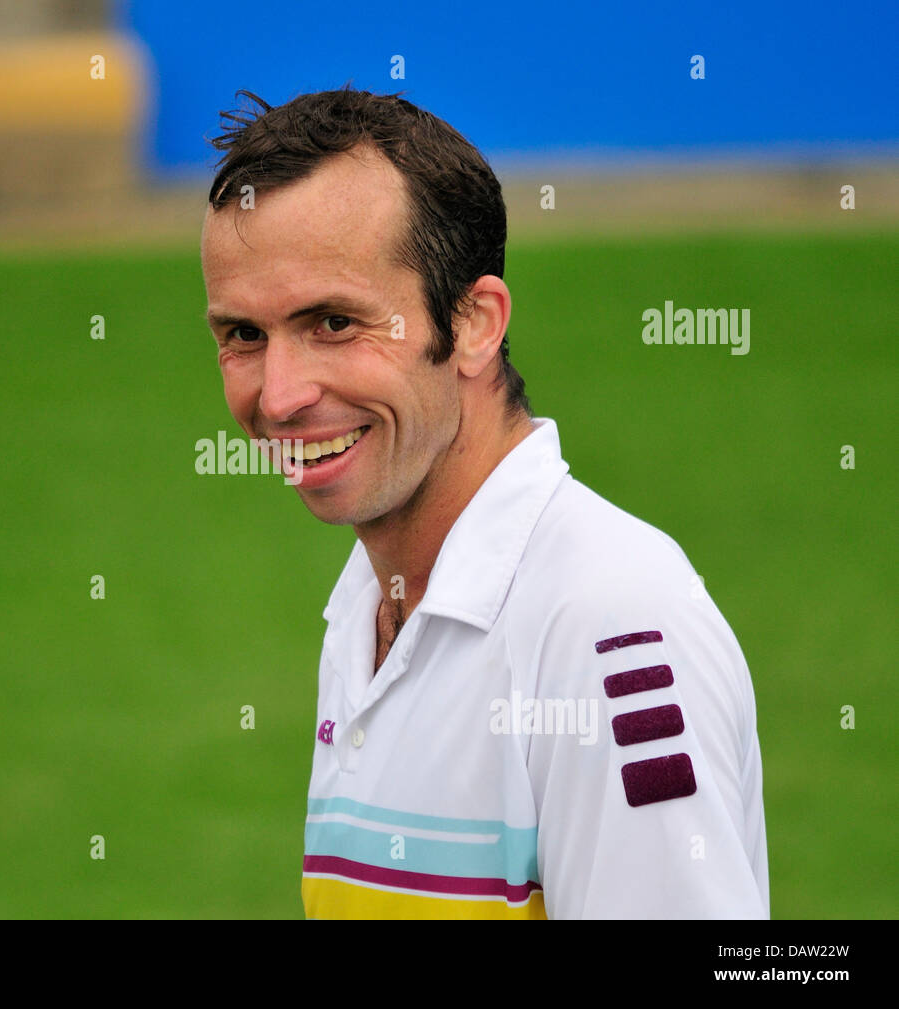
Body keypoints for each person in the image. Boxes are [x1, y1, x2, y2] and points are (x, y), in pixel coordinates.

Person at [199, 87, 769, 919]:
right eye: (244, 335)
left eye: (332, 322)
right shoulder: (369, 606)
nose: (279, 396)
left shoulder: (609, 627)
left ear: (473, 322)